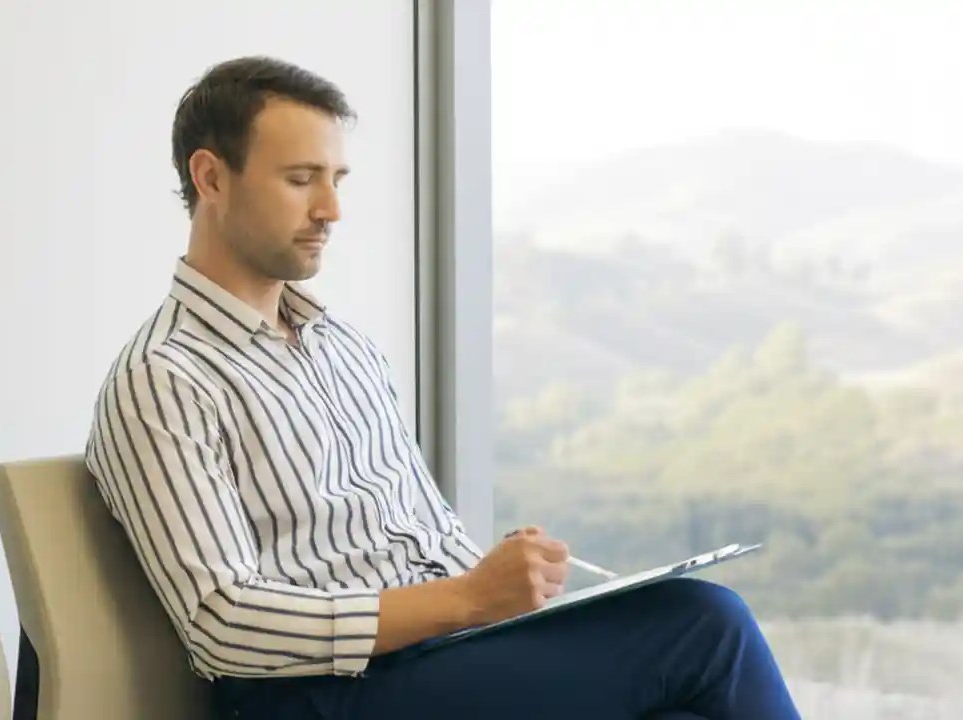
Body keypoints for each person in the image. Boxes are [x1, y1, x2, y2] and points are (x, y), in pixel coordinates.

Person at [85, 55, 801, 720]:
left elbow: (421, 538)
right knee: (706, 623)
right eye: (301, 180)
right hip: (320, 694)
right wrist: (467, 597)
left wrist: (503, 584)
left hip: (435, 657)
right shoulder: (164, 378)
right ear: (211, 178)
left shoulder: (344, 347)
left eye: (337, 180)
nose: (330, 209)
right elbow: (222, 624)